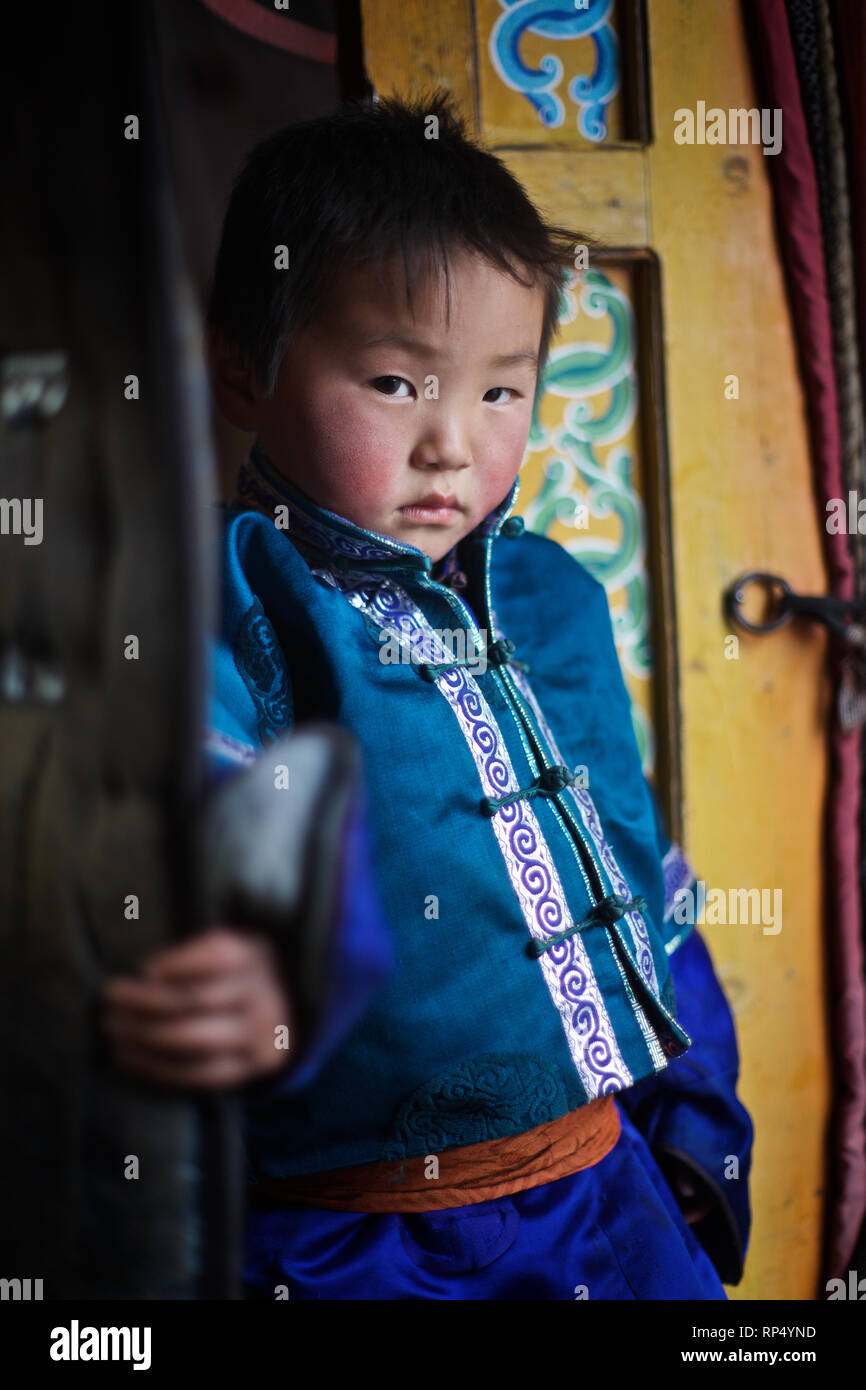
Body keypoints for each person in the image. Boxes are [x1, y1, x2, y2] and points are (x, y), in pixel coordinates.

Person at [104, 92, 753, 1300]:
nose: (452, 442)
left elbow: (633, 873)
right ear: (244, 366)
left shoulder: (552, 600)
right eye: (397, 381)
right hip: (359, 1246)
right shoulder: (223, 597)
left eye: (501, 392)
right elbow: (208, 836)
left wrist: (693, 1130)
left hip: (608, 1198)